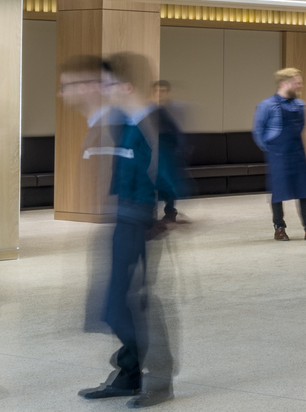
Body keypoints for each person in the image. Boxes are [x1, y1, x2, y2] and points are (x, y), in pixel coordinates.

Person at [67, 53, 179, 405]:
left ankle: (158, 381)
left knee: (136, 304)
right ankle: (129, 375)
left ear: (126, 86)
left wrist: (168, 214)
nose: (103, 90)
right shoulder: (125, 121)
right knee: (117, 304)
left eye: (108, 84)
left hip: (141, 220)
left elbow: (168, 172)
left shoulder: (151, 122)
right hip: (123, 216)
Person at [253, 68, 306, 241]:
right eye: (296, 82)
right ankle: (279, 228)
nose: (300, 85)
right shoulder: (266, 105)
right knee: (277, 190)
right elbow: (258, 130)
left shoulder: (300, 105)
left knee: (303, 189)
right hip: (277, 153)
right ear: (284, 83)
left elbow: (302, 126)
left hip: (297, 151)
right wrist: (271, 148)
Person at [150, 80, 188, 226]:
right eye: (157, 91)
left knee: (169, 181)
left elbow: (177, 131)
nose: (159, 94)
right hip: (154, 149)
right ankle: (153, 213)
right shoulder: (149, 110)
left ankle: (170, 211)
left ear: (167, 92)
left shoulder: (173, 110)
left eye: (162, 91)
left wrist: (179, 149)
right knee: (153, 181)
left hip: (168, 150)